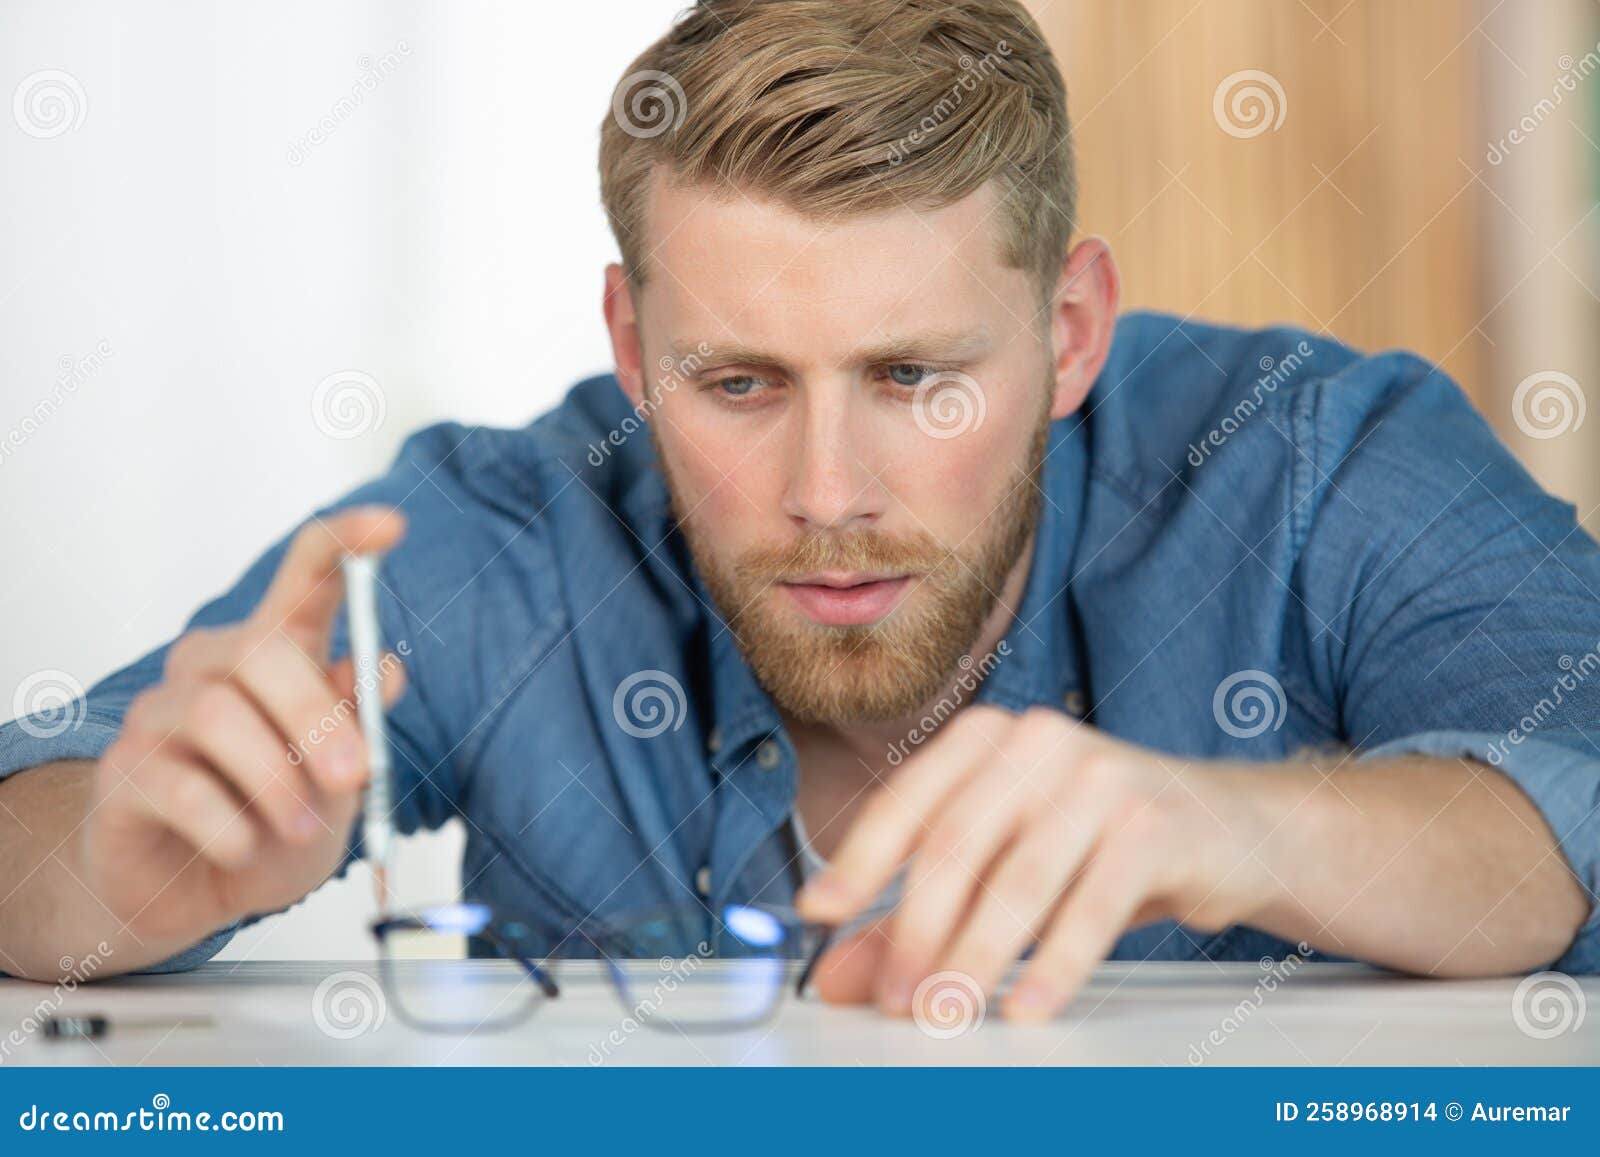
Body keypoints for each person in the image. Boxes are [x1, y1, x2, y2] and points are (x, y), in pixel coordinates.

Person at [2, 0, 1596, 1024]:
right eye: (739, 384)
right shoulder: (497, 531)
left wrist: (1243, 826)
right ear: (634, 346)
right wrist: (126, 878)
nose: (828, 498)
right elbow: (29, 834)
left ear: (1070, 331)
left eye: (915, 376)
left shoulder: (1317, 456)